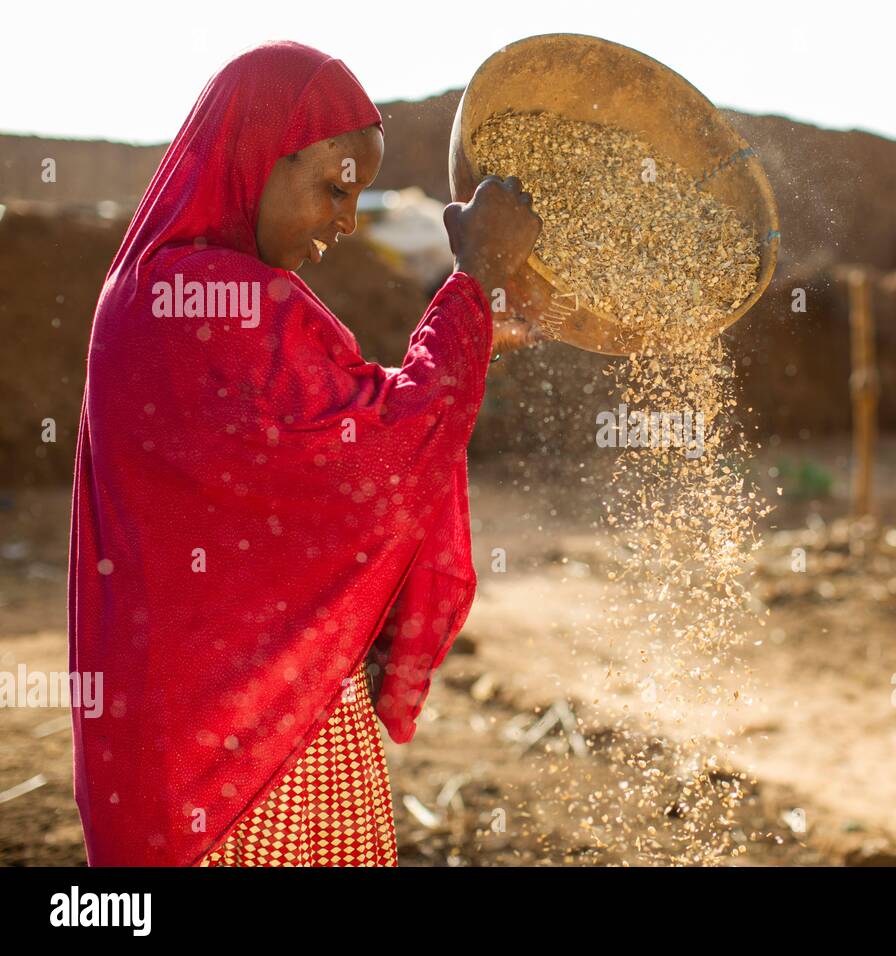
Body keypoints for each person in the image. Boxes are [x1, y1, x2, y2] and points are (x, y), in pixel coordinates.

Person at [67, 40, 541, 866]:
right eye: (335, 186)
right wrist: (475, 282)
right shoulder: (224, 302)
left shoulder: (152, 290)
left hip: (179, 738)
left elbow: (331, 444)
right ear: (259, 154)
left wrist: (477, 326)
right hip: (251, 751)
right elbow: (380, 449)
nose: (347, 221)